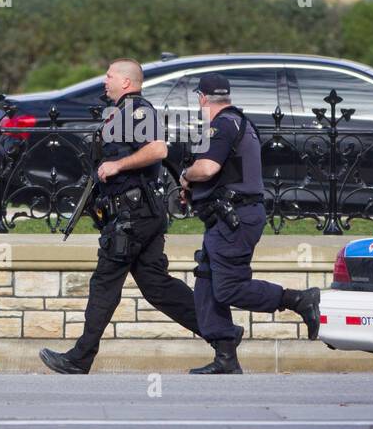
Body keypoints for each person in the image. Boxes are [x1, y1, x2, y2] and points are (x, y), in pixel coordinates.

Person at [40, 59, 202, 374]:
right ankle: (223, 336)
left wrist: (118, 165)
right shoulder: (122, 113)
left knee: (104, 283)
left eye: (109, 75)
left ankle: (79, 358)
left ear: (126, 82)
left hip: (134, 217)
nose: (104, 80)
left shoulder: (137, 111)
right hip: (138, 214)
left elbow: (157, 150)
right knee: (158, 287)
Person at [179, 73, 321, 374]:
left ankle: (297, 300)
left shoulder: (221, 125)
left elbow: (207, 168)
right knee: (205, 283)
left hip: (234, 220)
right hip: (229, 216)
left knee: (229, 288)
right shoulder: (242, 122)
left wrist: (186, 175)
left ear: (202, 99)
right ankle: (225, 357)